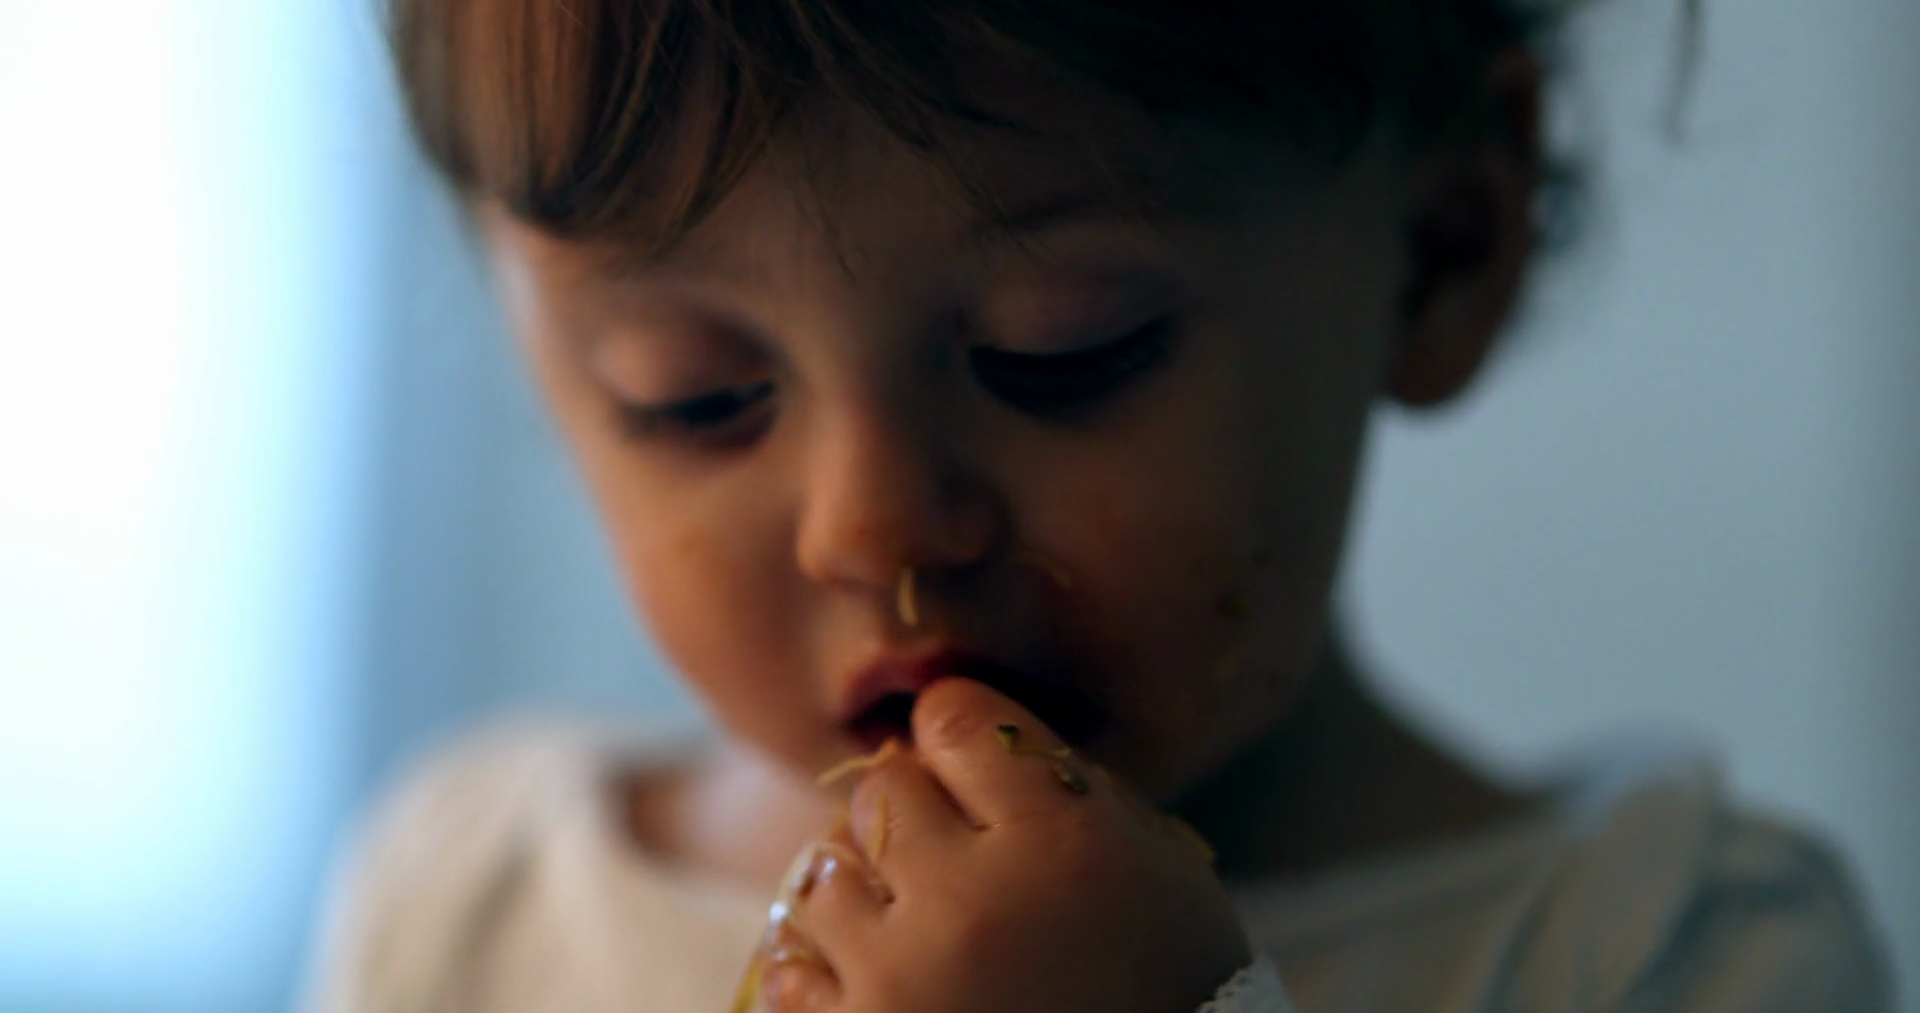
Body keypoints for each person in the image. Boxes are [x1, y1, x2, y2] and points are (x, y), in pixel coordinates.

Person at [304, 1, 1894, 1010]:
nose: (872, 530)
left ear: (1444, 248)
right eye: (694, 396)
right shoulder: (467, 915)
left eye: (1055, 354)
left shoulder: (1675, 954)